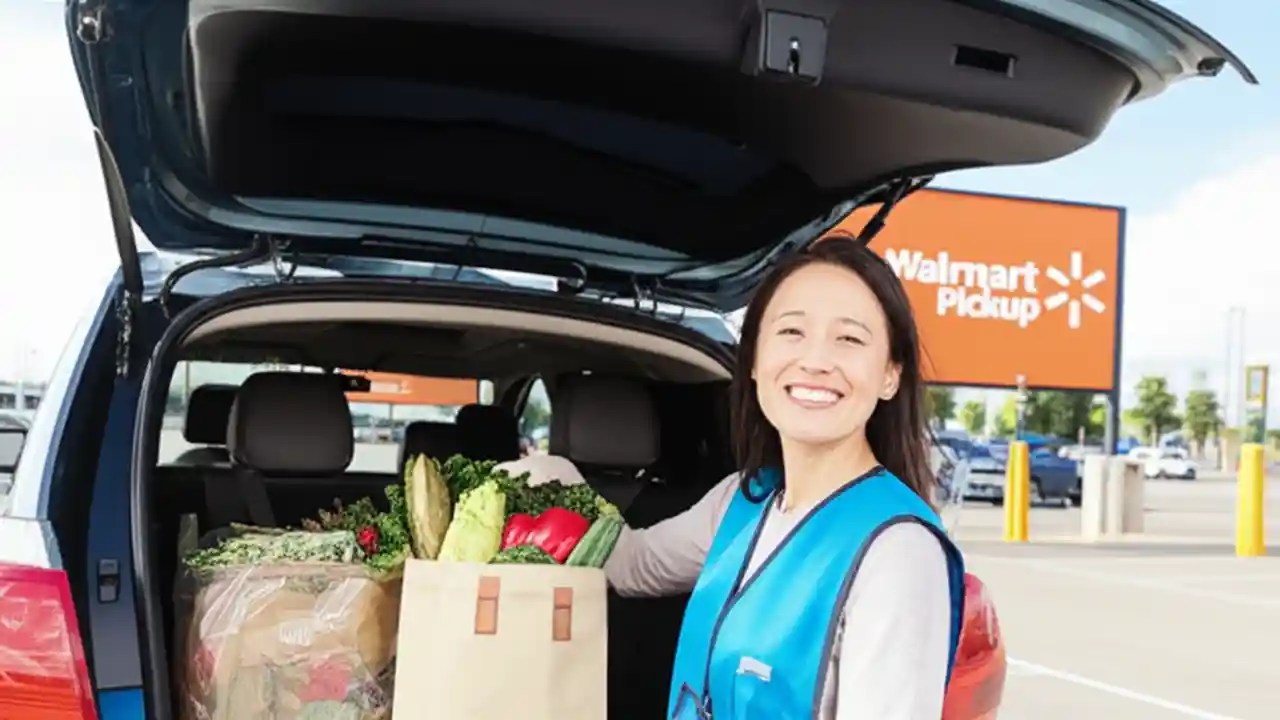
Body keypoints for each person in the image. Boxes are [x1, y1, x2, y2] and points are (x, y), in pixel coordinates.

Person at [604, 235, 966, 719]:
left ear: (889, 375)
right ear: (754, 361)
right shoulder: (743, 499)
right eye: (792, 332)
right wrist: (549, 489)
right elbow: (631, 565)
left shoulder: (897, 549)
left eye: (850, 339)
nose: (815, 361)